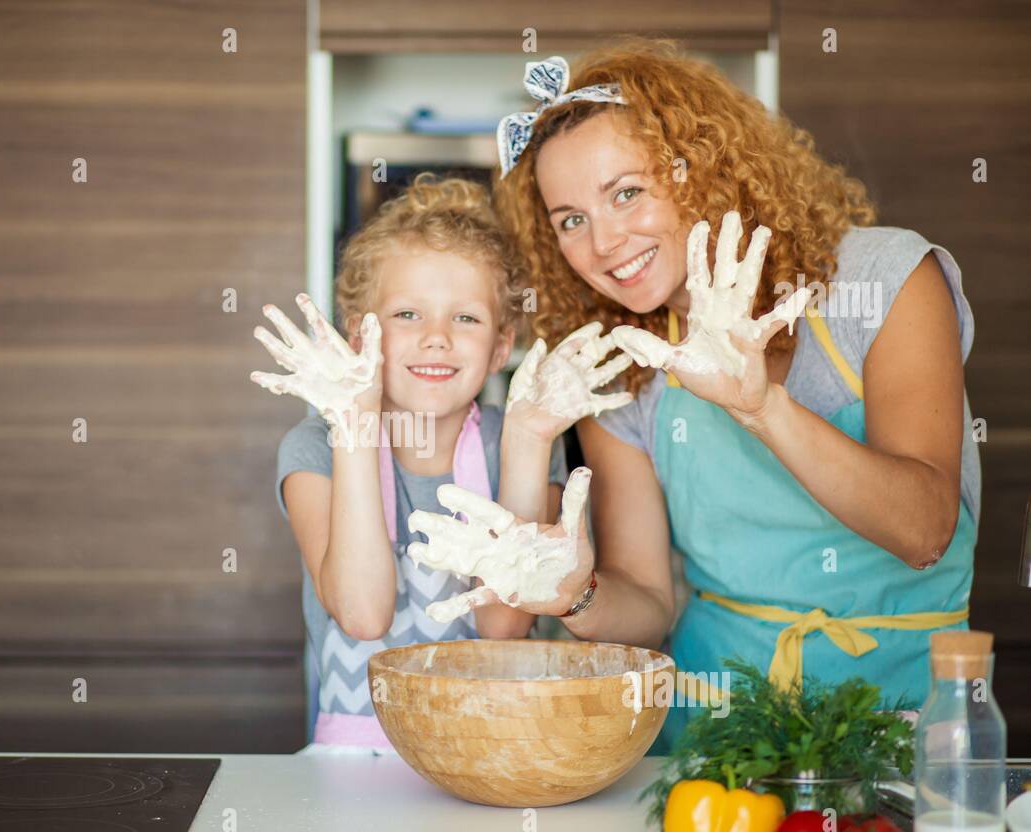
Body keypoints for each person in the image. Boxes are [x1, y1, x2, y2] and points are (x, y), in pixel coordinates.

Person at [418, 40, 980, 755]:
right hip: (716, 727)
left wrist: (761, 408)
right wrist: (574, 594)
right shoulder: (620, 365)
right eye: (570, 220)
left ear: (701, 171)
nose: (605, 241)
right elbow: (648, 607)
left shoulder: (882, 282)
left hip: (902, 718)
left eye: (627, 192)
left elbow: (925, 530)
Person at [253, 174, 585, 753]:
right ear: (361, 335)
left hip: (494, 751)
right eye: (408, 315)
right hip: (358, 757)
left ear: (502, 347)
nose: (436, 338)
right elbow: (362, 614)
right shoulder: (315, 447)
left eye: (466, 319)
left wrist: (529, 444)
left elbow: (504, 627)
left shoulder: (522, 439)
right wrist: (356, 422)